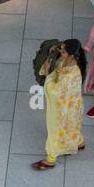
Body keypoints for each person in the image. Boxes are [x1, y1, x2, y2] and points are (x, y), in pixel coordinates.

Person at [33, 39, 87, 170]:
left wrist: (46, 73)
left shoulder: (70, 74)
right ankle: (79, 142)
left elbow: (53, 91)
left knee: (55, 129)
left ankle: (51, 158)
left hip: (61, 109)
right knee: (72, 126)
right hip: (72, 107)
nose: (60, 51)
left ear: (71, 55)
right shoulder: (69, 64)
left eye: (63, 50)